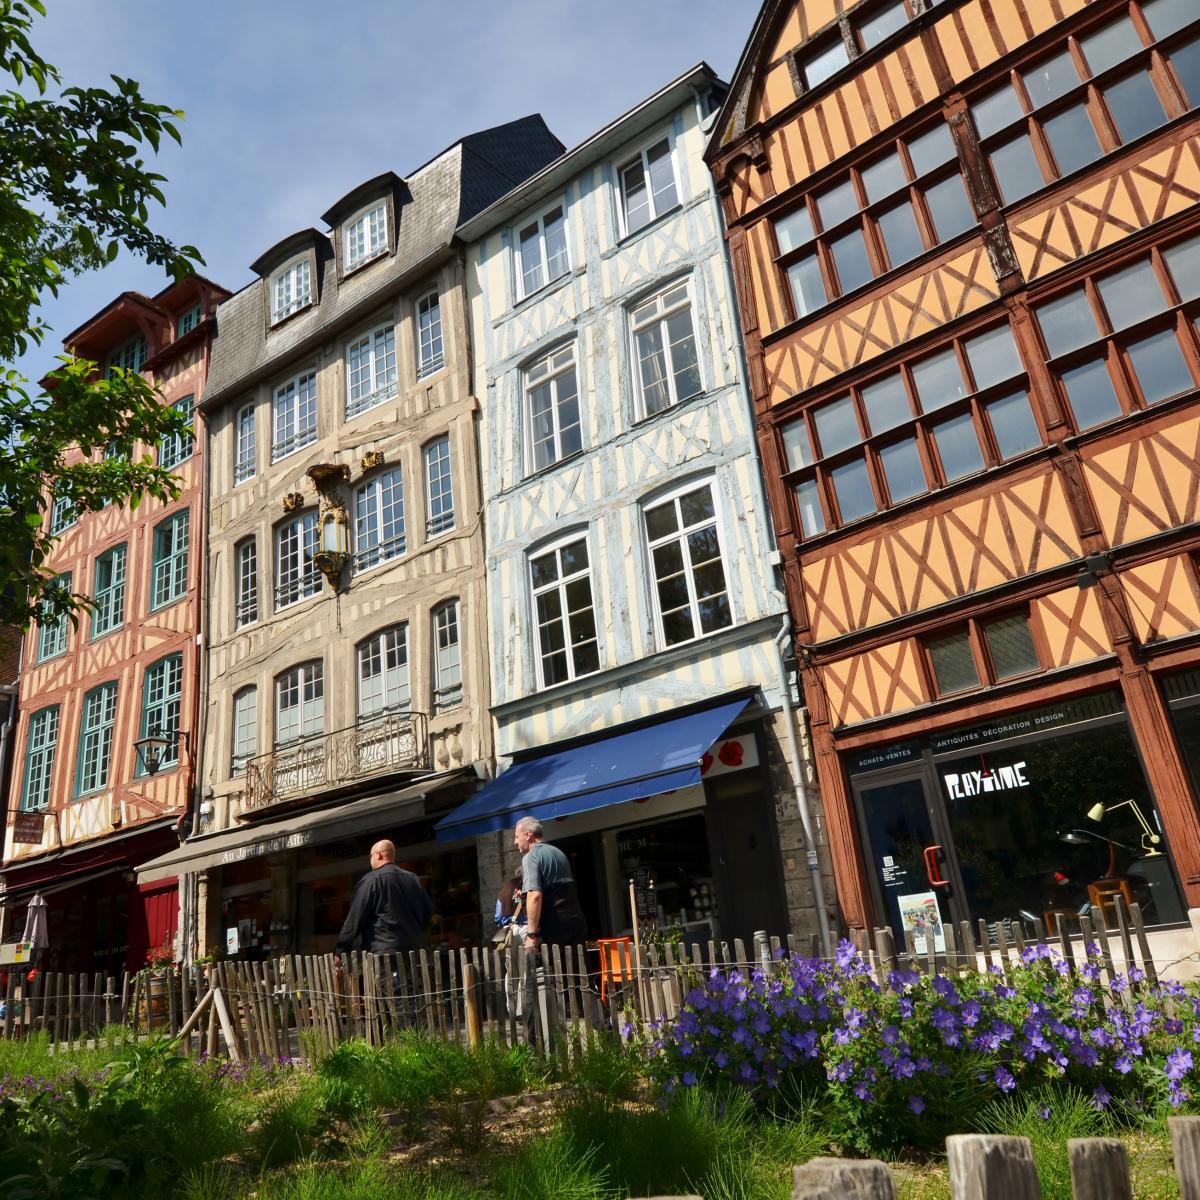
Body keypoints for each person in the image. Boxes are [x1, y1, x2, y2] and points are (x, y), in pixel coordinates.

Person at [336, 839, 432, 955]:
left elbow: (355, 917)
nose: (370, 861)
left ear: (378, 855)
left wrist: (341, 950)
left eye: (370, 856)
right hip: (412, 950)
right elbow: (427, 912)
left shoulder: (372, 879)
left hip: (383, 953)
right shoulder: (413, 879)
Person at [513, 816, 586, 953]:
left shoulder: (531, 857)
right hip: (576, 921)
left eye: (517, 837)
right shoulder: (558, 852)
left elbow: (534, 895)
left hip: (555, 926)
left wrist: (531, 934)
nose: (515, 842)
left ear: (528, 835)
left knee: (560, 972)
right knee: (579, 971)